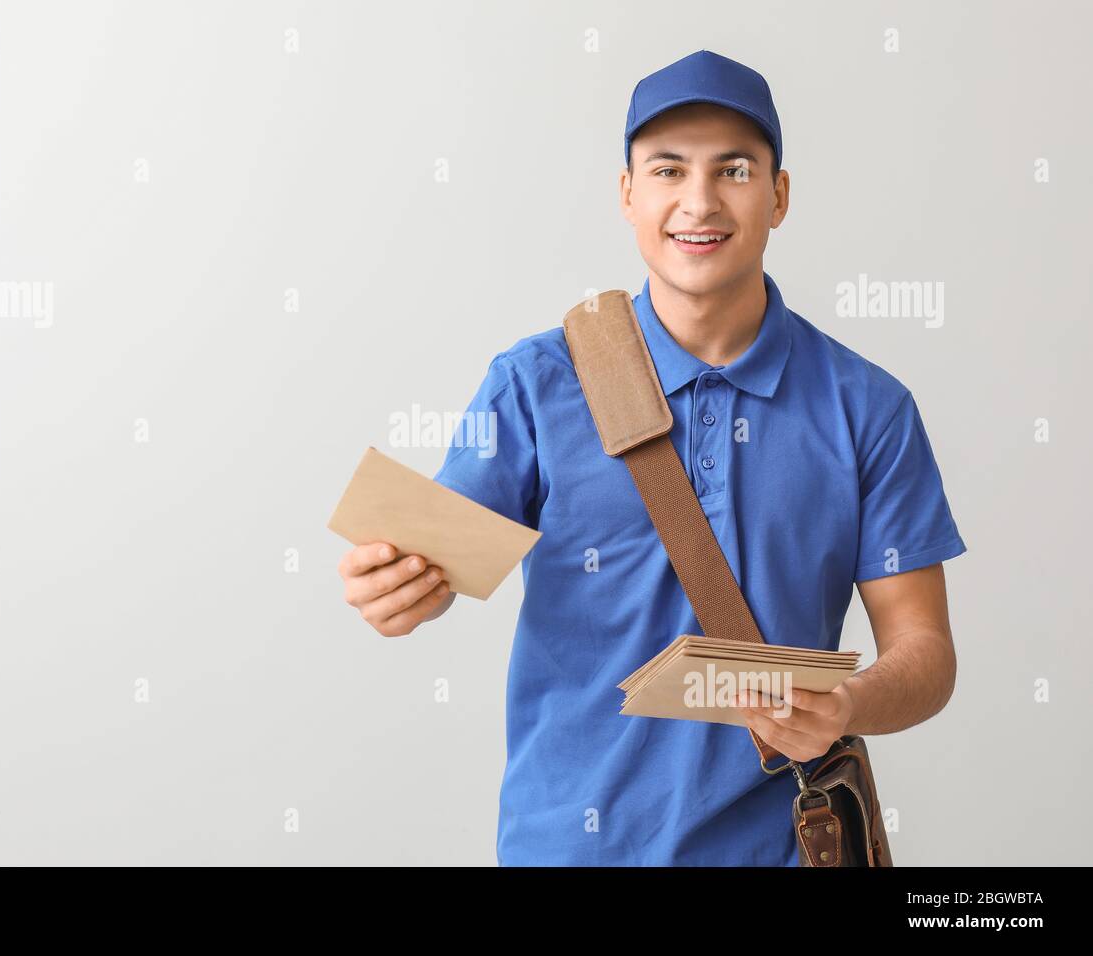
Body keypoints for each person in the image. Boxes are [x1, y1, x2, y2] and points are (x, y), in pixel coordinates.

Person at [336, 50, 966, 865]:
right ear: (628, 195)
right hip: (565, 847)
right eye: (667, 170)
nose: (698, 201)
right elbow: (438, 566)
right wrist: (398, 588)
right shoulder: (533, 385)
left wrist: (846, 704)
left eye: (733, 170)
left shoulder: (868, 408)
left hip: (779, 850)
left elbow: (926, 653)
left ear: (778, 195)